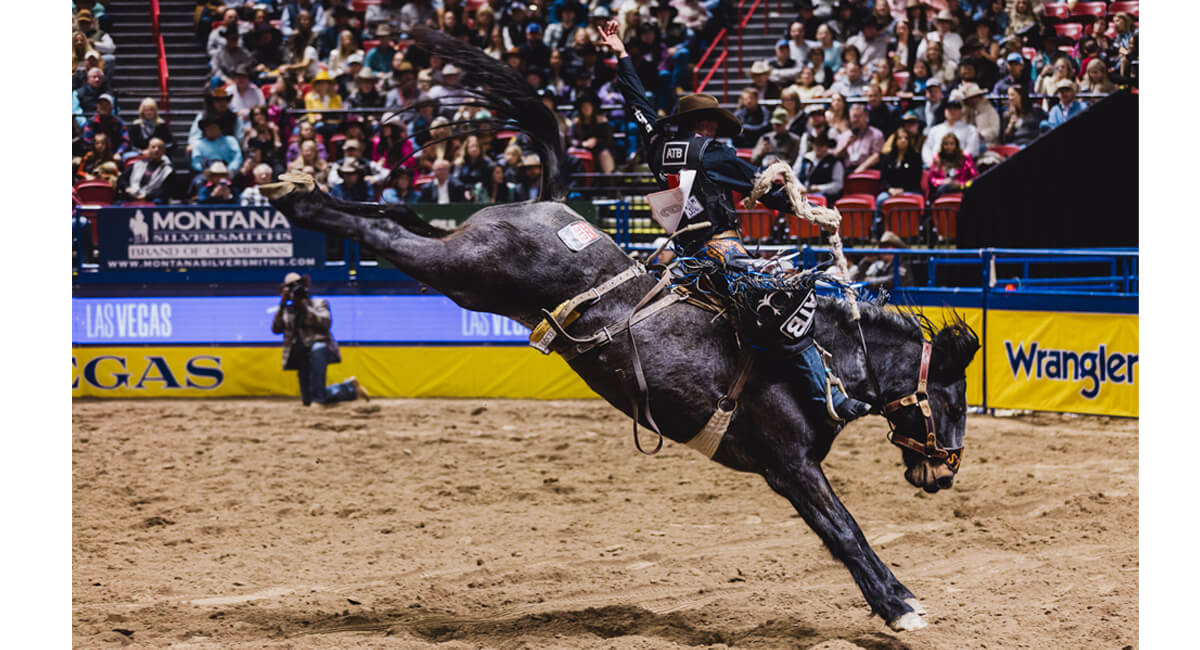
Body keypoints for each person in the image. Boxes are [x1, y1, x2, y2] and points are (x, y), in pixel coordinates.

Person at [271, 272, 369, 407]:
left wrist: (304, 307)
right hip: (301, 352)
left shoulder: (319, 303)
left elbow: (325, 323)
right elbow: (276, 329)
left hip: (322, 347)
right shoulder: (286, 310)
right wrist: (282, 304)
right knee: (307, 400)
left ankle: (319, 400)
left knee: (317, 350)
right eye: (291, 288)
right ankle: (350, 389)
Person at [922, 96, 979, 167]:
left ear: (961, 111)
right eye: (949, 108)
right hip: (936, 166)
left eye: (955, 108)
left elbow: (972, 150)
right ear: (944, 111)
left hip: (960, 166)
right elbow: (926, 148)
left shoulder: (970, 129)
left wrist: (957, 161)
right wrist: (931, 162)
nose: (952, 111)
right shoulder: (935, 129)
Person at [117, 137, 173, 203]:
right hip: (131, 198)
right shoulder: (137, 164)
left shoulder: (168, 170)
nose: (156, 150)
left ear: (164, 151)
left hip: (153, 202)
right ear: (148, 149)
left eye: (160, 148)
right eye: (153, 147)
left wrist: (147, 196)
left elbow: (166, 190)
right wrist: (126, 188)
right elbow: (121, 179)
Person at [795, 131, 844, 201]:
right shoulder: (805, 158)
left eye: (821, 145)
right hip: (800, 193)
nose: (818, 147)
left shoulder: (834, 162)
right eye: (816, 144)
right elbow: (794, 175)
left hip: (821, 196)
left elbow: (838, 184)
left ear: (827, 146)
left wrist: (820, 188)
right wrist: (799, 186)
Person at [834, 104, 883, 173]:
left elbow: (876, 156)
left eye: (858, 116)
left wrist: (861, 168)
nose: (855, 120)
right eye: (853, 117)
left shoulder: (876, 134)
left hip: (867, 170)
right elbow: (835, 155)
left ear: (866, 116)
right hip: (847, 170)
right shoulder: (845, 135)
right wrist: (846, 145)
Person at [928, 132, 977, 199]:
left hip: (962, 189)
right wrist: (943, 182)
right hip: (942, 188)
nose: (949, 147)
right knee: (943, 188)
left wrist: (961, 184)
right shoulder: (938, 159)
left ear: (956, 145)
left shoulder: (965, 158)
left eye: (952, 144)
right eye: (946, 144)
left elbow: (973, 179)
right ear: (942, 145)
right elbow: (931, 179)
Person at [958, 82, 1000, 147]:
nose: (972, 100)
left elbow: (995, 130)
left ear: (979, 97)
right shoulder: (964, 113)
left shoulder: (989, 110)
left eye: (974, 97)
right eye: (969, 99)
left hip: (988, 145)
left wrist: (981, 135)